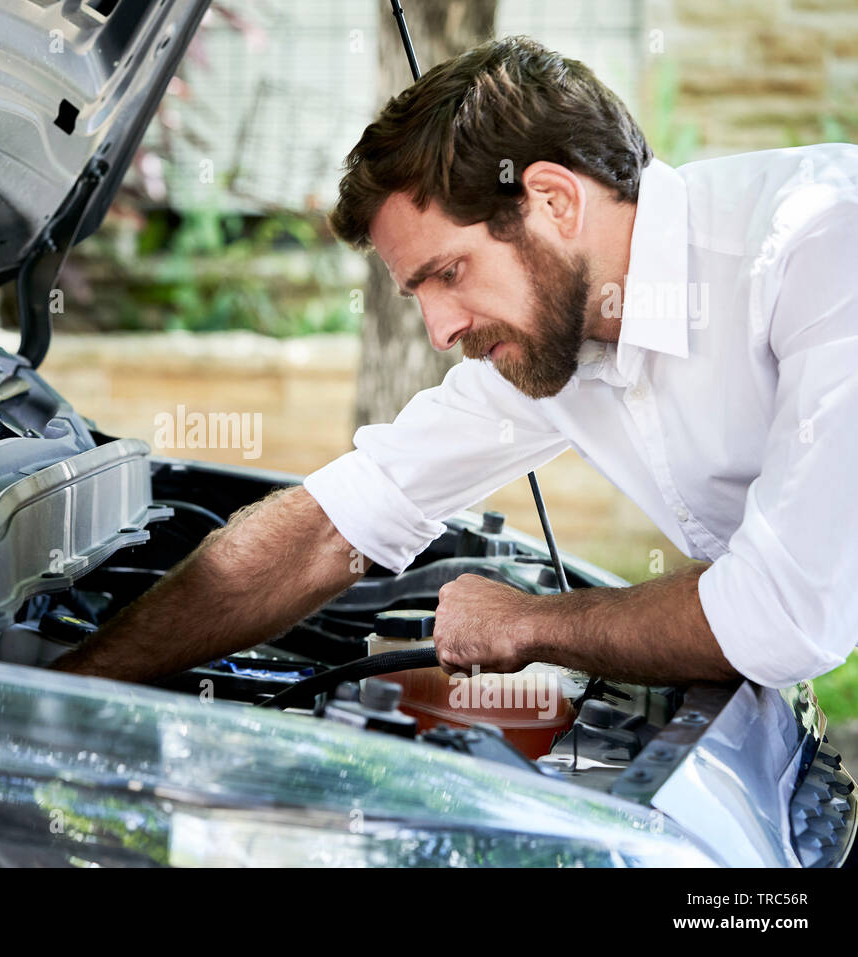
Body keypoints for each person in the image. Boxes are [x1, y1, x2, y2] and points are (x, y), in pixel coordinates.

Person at [53, 36, 858, 691]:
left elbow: (783, 615)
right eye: (416, 293)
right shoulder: (553, 331)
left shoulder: (818, 247)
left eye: (448, 272)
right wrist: (72, 685)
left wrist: (530, 622)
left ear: (554, 201)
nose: (439, 330)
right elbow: (335, 525)